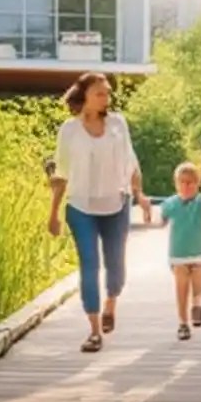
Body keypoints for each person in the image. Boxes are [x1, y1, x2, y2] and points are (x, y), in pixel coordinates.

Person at [47, 72, 152, 353]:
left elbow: (131, 161)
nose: (107, 98)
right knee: (89, 265)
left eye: (107, 93)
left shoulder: (118, 123)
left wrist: (139, 194)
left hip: (116, 204)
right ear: (85, 96)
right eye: (100, 93)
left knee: (116, 268)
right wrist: (53, 213)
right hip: (80, 206)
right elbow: (61, 173)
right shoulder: (69, 130)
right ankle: (94, 331)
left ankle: (111, 304)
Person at [157, 162, 201, 340]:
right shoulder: (170, 204)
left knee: (197, 284)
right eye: (183, 182)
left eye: (191, 183)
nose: (187, 186)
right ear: (176, 184)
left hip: (199, 250)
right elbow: (161, 221)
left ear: (197, 184)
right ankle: (183, 322)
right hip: (178, 252)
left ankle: (197, 303)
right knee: (181, 287)